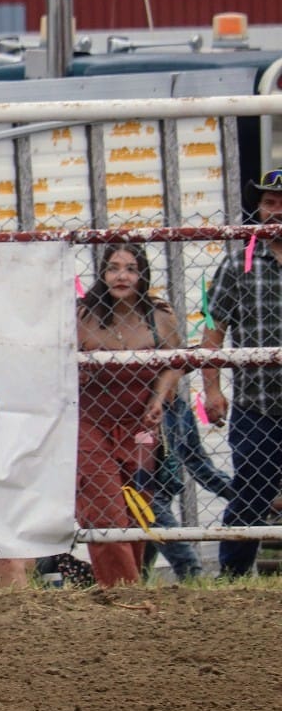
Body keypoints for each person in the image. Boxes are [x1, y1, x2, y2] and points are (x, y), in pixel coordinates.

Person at [75, 242, 182, 587]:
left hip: (140, 426)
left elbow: (175, 363)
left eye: (130, 268)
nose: (121, 275)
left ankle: (126, 588)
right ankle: (124, 592)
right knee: (105, 512)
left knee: (137, 510)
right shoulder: (82, 315)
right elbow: (57, 364)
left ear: (142, 275)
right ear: (103, 274)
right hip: (91, 424)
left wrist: (159, 398)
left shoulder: (159, 315)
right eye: (113, 268)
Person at [200, 167, 282, 578]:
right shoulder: (238, 264)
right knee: (251, 490)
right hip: (257, 404)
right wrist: (212, 391)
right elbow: (213, 331)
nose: (276, 212)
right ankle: (232, 577)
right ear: (258, 210)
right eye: (269, 204)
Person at [136, 386, 235, 581]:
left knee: (141, 566)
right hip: (144, 493)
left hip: (164, 493)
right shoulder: (146, 408)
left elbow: (197, 462)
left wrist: (238, 495)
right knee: (187, 562)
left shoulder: (180, 409)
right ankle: (200, 595)